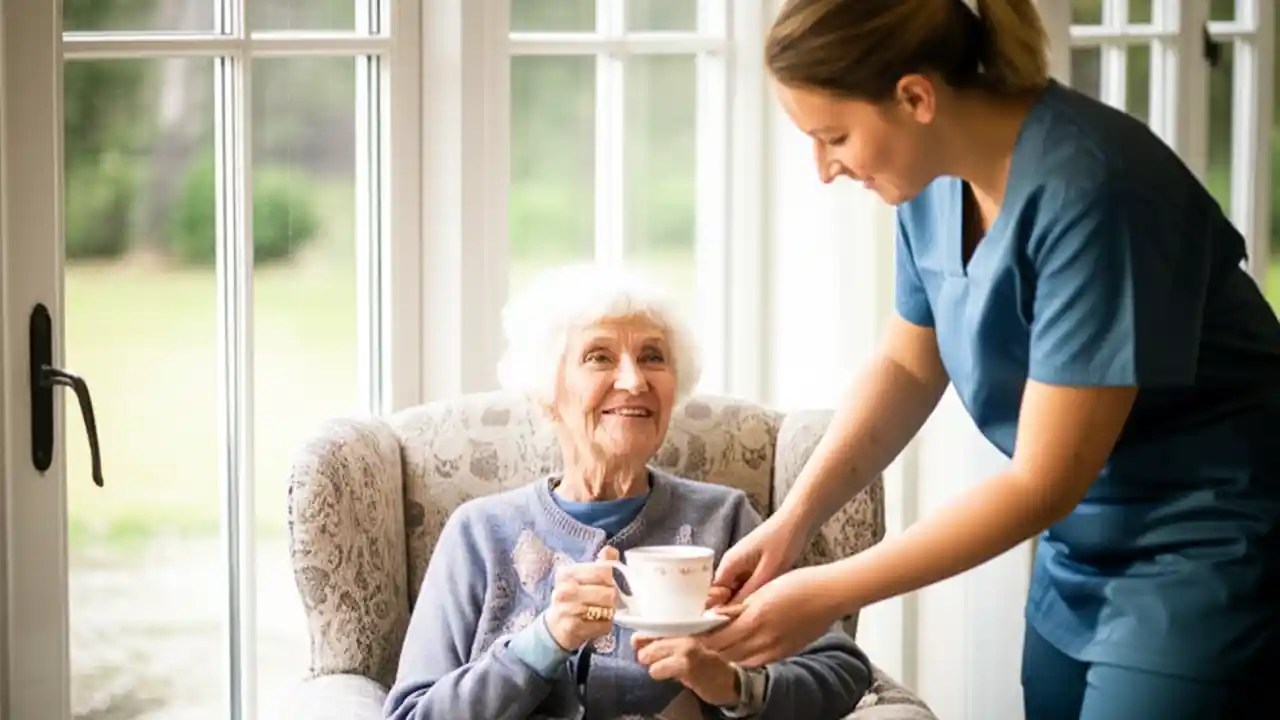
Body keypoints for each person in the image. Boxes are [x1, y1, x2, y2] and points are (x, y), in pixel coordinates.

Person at [702, 1, 1280, 718]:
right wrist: (791, 524)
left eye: (835, 136)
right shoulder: (932, 180)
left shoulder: (1095, 190)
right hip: (1079, 549)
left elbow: (1042, 481)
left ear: (916, 96)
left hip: (1205, 548)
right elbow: (910, 366)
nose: (825, 169)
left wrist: (834, 588)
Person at [384, 264, 871, 720]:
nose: (634, 380)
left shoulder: (723, 520)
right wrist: (545, 641)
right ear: (546, 392)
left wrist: (730, 683)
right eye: (599, 357)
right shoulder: (480, 533)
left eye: (653, 357)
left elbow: (841, 669)